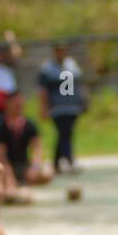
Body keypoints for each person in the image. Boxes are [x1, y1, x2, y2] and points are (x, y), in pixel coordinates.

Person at [0, 91, 53, 198]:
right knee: (3, 186)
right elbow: (1, 156)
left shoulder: (30, 124)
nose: (19, 105)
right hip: (6, 167)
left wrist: (35, 167)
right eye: (16, 103)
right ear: (7, 103)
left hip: (23, 166)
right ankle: (11, 184)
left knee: (48, 173)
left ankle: (21, 182)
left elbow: (37, 148)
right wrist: (9, 178)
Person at [38, 43, 86, 174]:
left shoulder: (72, 65)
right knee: (64, 133)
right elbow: (43, 90)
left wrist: (83, 101)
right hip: (57, 107)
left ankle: (56, 163)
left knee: (65, 134)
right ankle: (70, 161)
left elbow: (78, 85)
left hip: (72, 106)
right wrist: (43, 107)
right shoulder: (47, 68)